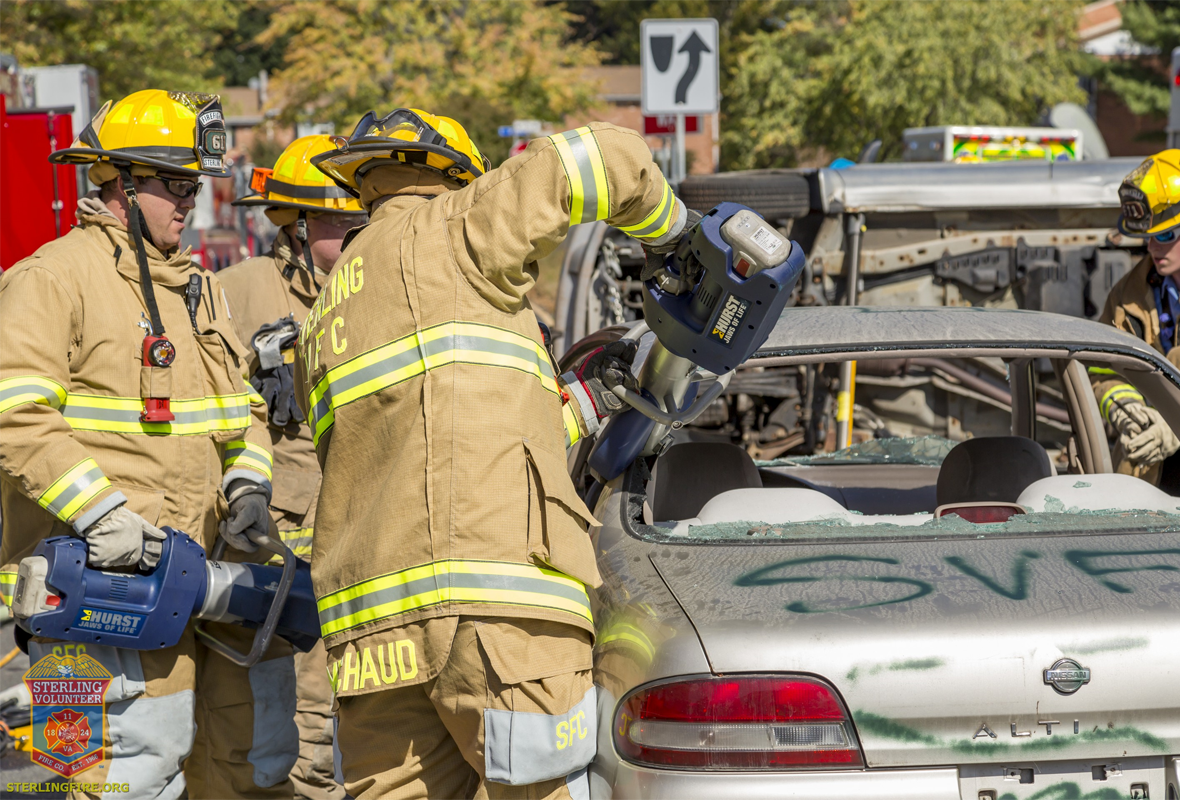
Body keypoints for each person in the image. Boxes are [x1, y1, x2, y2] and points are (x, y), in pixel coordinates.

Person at [292, 109, 692, 799]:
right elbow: (603, 154)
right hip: (499, 617)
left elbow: (434, 438)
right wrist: (675, 235)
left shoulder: (325, 315)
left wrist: (583, 406)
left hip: (374, 647)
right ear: (452, 177)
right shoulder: (454, 227)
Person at [0, 89, 296, 799]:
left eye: (194, 186)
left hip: (204, 584)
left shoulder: (199, 290)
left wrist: (250, 485)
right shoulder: (51, 278)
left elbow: (242, 411)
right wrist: (101, 513)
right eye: (175, 185)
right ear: (119, 184)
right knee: (113, 777)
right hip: (98, 593)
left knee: (243, 764)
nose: (189, 202)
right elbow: (15, 412)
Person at [221, 135, 367, 800]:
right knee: (302, 736)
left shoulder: (372, 289)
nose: (358, 240)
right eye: (344, 227)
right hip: (282, 561)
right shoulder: (241, 293)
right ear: (299, 227)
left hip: (363, 552)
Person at [1092, 145, 1180, 485]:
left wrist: (1177, 427)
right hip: (1145, 487)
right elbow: (1099, 367)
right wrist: (1124, 410)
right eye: (1148, 237)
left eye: (1165, 235)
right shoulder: (1128, 295)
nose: (1153, 248)